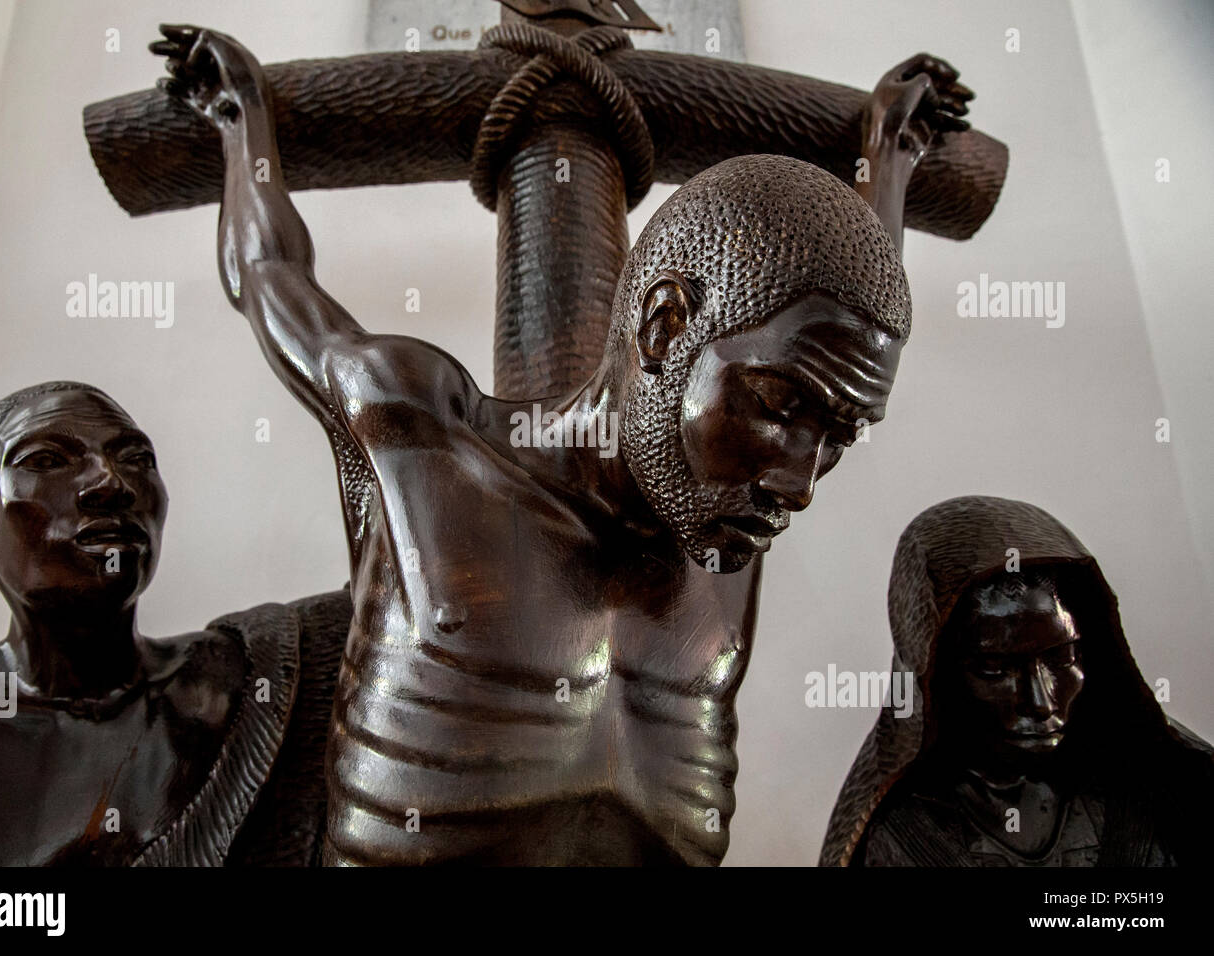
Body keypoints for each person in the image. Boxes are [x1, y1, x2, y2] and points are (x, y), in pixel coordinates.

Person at [153, 25, 968, 864]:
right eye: (776, 406)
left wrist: (891, 157)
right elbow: (271, 280)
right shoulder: (421, 441)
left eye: (838, 436)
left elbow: (833, 316)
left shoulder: (723, 544)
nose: (799, 485)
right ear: (664, 326)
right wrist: (241, 119)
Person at [0, 381, 345, 865]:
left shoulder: (268, 670)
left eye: (136, 458)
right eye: (47, 460)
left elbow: (417, 586)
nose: (110, 483)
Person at [820, 495, 1214, 867]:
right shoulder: (903, 839)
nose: (1040, 702)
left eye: (1061, 657)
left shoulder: (1155, 799)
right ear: (935, 673)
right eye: (995, 667)